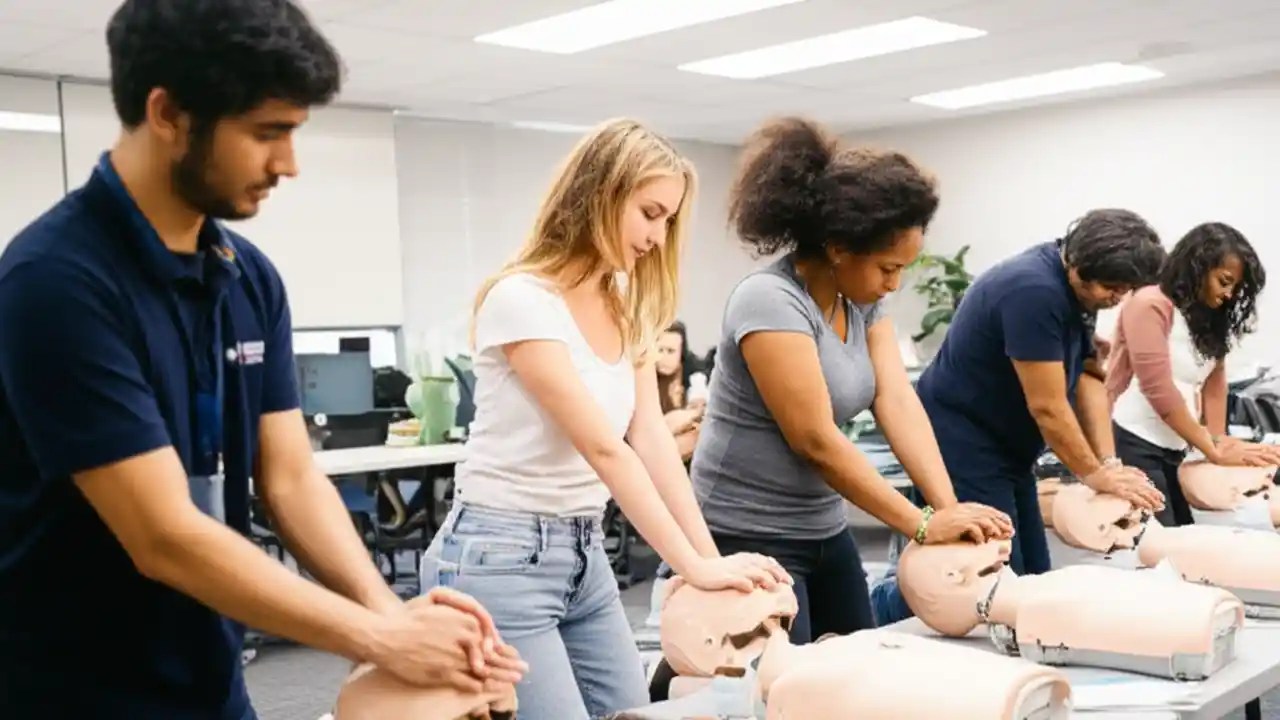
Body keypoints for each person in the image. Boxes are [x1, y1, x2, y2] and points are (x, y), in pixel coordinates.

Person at [0, 2, 522, 717]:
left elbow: (289, 476)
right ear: (169, 113)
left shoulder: (246, 276)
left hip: (210, 681)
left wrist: (388, 615)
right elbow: (162, 534)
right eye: (266, 133)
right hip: (77, 691)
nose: (288, 163)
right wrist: (377, 633)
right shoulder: (55, 282)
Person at [419, 118, 791, 720]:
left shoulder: (623, 303)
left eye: (668, 218)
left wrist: (709, 560)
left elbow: (648, 437)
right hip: (500, 555)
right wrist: (694, 565)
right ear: (601, 193)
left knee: (632, 712)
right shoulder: (521, 299)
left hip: (584, 552)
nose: (658, 234)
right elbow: (604, 446)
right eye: (649, 212)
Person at [689, 116, 1012, 646]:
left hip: (821, 525)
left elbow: (896, 400)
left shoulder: (860, 301)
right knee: (778, 687)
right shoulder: (770, 300)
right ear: (838, 247)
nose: (895, 282)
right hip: (746, 531)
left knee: (856, 662)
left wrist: (947, 508)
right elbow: (814, 439)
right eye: (888, 267)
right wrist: (921, 524)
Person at [913, 209, 1168, 576]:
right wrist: (1093, 475)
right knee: (988, 573)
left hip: (1009, 446)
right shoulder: (1034, 291)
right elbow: (1048, 407)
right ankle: (889, 609)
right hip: (963, 441)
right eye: (1110, 287)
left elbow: (1088, 375)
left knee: (1034, 570)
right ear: (1079, 263)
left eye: (1124, 289)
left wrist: (1108, 464)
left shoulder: (1080, 290)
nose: (1116, 297)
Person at [1108, 222, 1280, 525]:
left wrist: (1219, 438)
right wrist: (1212, 448)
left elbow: (1215, 382)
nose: (1229, 294)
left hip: (1175, 445)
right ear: (1197, 268)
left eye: (1236, 288)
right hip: (1135, 440)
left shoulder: (1206, 317)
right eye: (1224, 281)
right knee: (1163, 544)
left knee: (1183, 535)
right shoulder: (1149, 304)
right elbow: (1158, 389)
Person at [657, 320, 706, 461]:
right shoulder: (642, 376)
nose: (664, 357)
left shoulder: (695, 375)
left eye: (670, 351)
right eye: (660, 350)